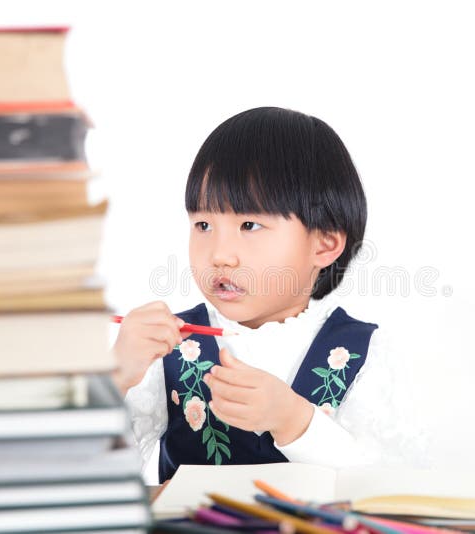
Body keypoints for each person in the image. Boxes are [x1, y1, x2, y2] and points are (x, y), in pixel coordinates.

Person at [112, 107, 430, 483]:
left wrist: (294, 421)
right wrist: (115, 376)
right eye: (203, 224)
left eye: (249, 224)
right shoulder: (167, 345)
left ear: (325, 244)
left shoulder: (364, 351)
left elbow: (395, 486)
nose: (219, 254)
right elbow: (85, 480)